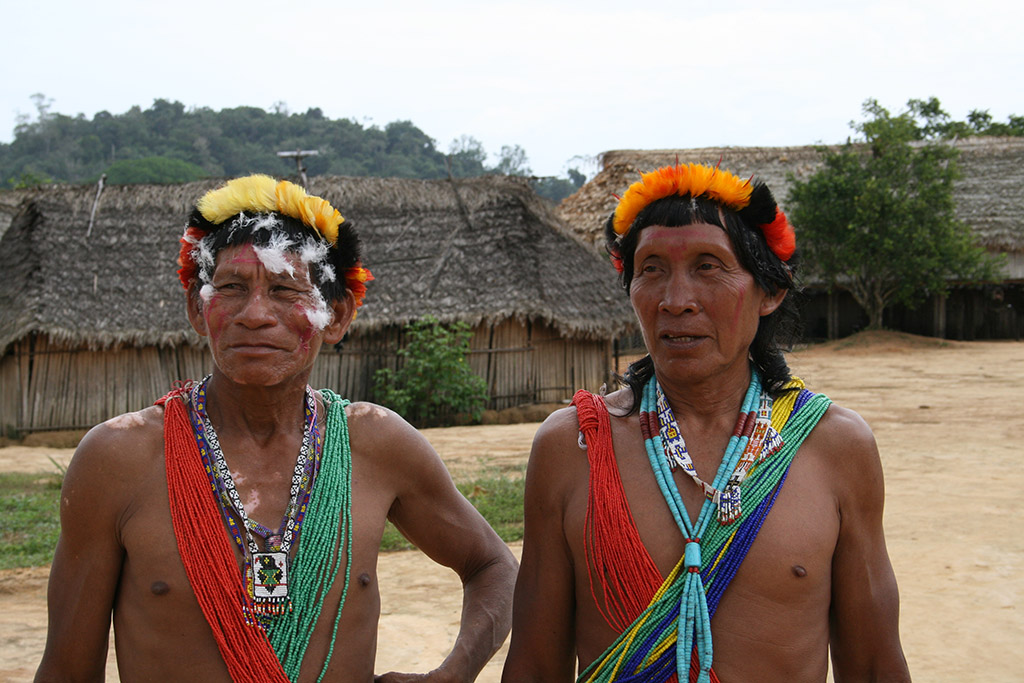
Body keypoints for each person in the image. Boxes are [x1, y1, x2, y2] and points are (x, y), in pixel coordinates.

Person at [35, 175, 518, 682]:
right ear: (198, 310)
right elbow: (67, 670)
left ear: (336, 316)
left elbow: (495, 568)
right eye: (230, 289)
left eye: (286, 290)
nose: (255, 315)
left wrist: (454, 672)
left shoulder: (375, 445)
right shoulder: (119, 459)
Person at [503, 163, 910, 682]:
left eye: (708, 266)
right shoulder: (574, 446)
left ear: (769, 292)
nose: (676, 300)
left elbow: (875, 666)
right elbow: (535, 667)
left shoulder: (836, 446)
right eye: (650, 269)